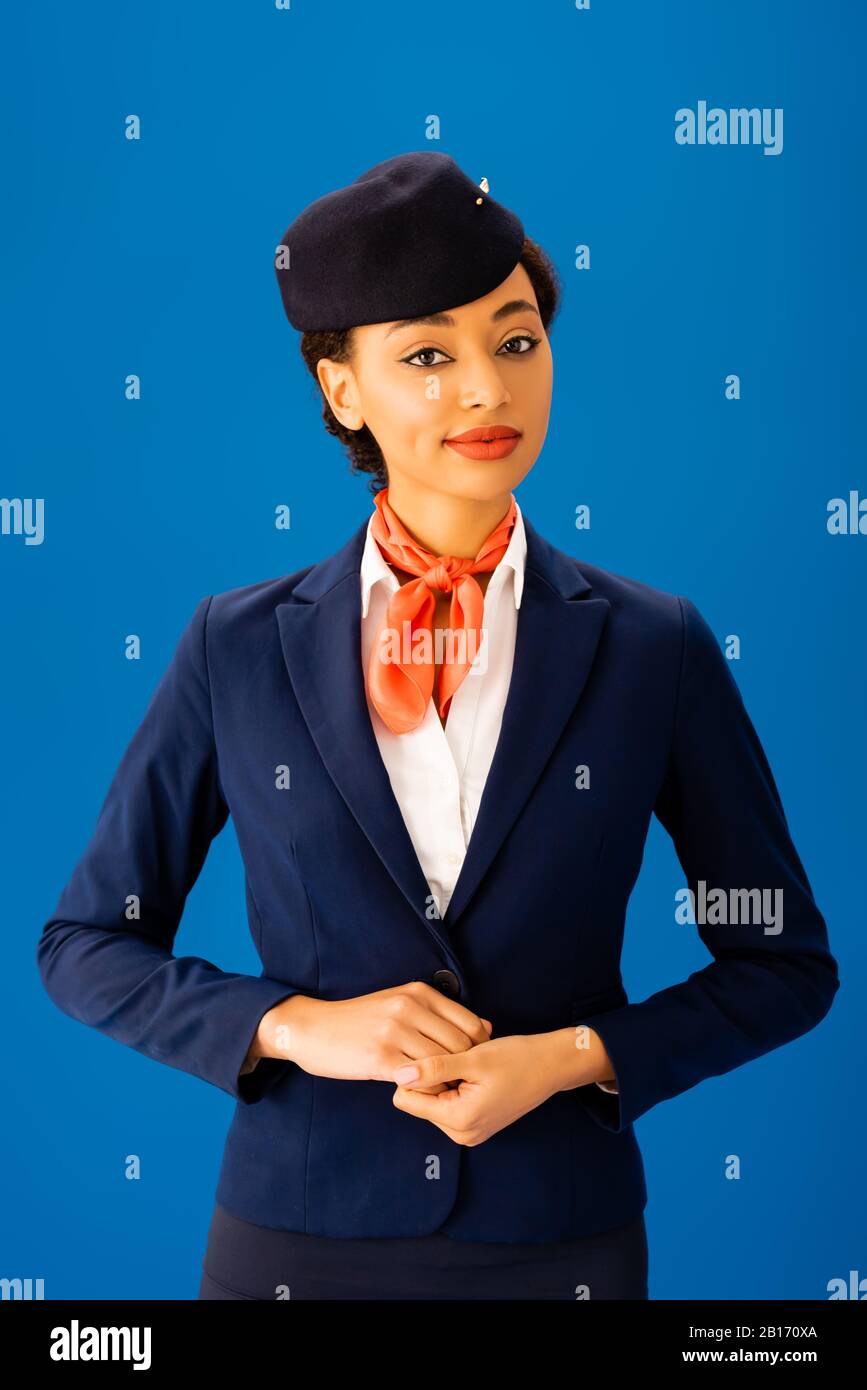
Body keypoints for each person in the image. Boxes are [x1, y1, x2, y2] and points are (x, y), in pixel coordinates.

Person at [37, 152, 840, 1301]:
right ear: (342, 390)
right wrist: (300, 1027)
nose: (488, 390)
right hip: (294, 1242)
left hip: (564, 1240)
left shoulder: (655, 645)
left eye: (516, 340)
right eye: (427, 353)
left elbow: (784, 965)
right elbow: (85, 945)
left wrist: (571, 1060)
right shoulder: (234, 644)